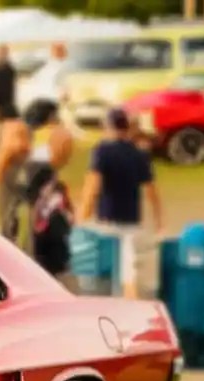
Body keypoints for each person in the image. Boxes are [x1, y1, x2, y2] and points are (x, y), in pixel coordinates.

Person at [78, 108, 164, 299]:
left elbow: (93, 187)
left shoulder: (102, 151)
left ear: (108, 127)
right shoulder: (138, 154)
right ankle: (129, 308)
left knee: (105, 275)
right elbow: (151, 191)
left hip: (107, 222)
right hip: (132, 221)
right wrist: (159, 221)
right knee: (129, 274)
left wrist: (82, 217)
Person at [25, 161, 77, 291]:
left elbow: (70, 216)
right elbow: (36, 224)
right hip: (46, 251)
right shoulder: (37, 201)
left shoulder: (59, 194)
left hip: (58, 252)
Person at [0, 119, 31, 243]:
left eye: (25, 136)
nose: (22, 141)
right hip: (13, 234)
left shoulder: (25, 167)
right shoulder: (7, 168)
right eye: (18, 136)